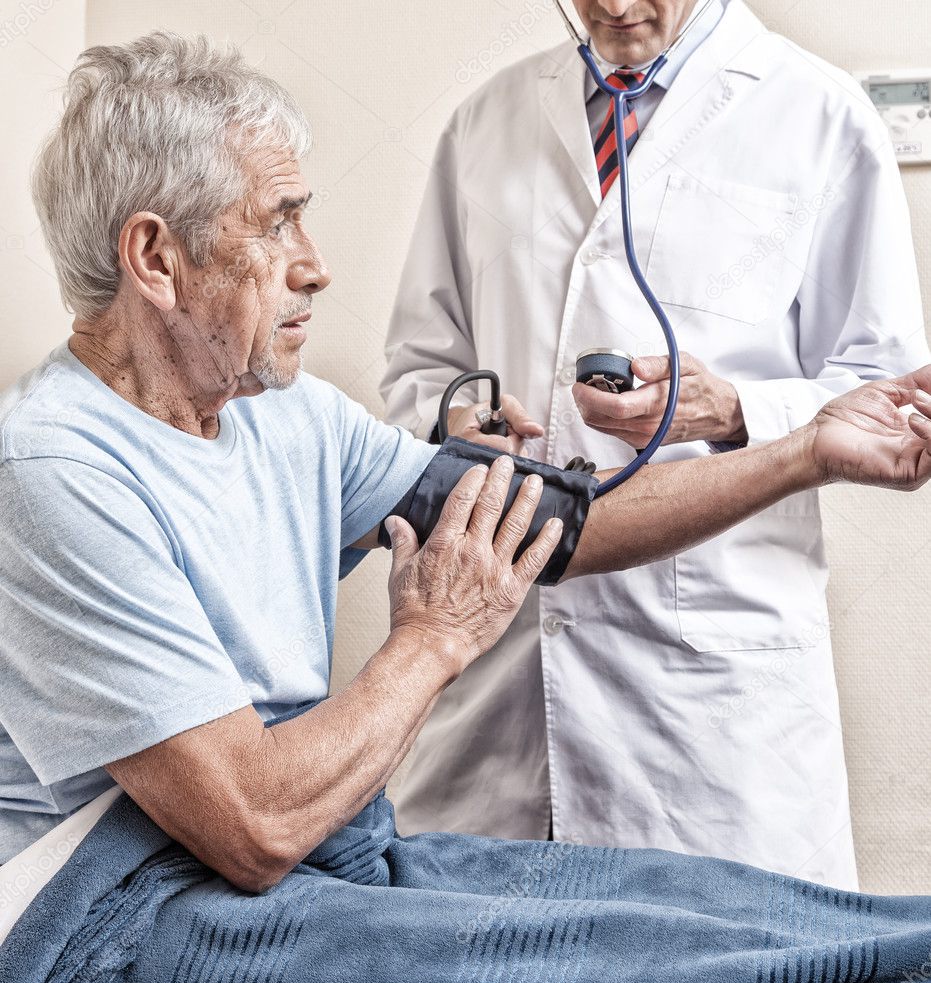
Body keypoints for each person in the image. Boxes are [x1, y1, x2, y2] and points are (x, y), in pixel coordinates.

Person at [1, 29, 930, 900]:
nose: (316, 267)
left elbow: (560, 520)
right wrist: (435, 635)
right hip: (143, 909)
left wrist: (802, 448)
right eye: (278, 224)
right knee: (634, 964)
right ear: (156, 258)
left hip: (317, 872)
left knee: (754, 926)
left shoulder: (292, 417)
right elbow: (253, 825)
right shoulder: (55, 470)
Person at [379, 0, 929, 888]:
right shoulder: (487, 120)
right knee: (485, 977)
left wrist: (735, 409)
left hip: (706, 690)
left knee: (730, 975)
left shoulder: (817, 113)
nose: (617, 9)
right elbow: (422, 360)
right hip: (503, 661)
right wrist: (455, 424)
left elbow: (889, 389)